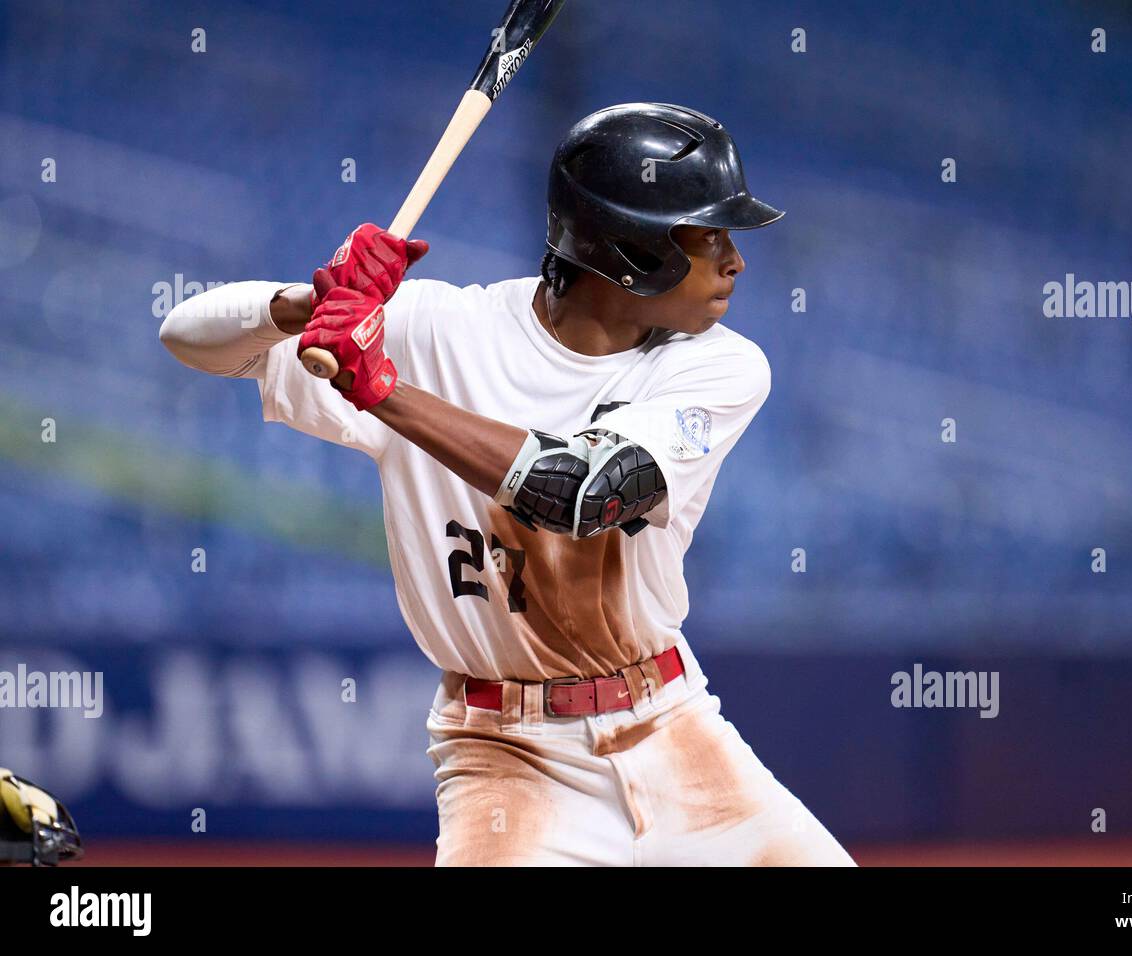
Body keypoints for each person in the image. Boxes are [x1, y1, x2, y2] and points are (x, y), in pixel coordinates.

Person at [160, 102, 854, 866]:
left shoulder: (719, 364)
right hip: (506, 756)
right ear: (634, 248)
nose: (735, 260)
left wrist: (384, 390)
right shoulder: (438, 327)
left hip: (673, 726)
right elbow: (189, 337)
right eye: (707, 233)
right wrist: (304, 306)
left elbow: (585, 494)